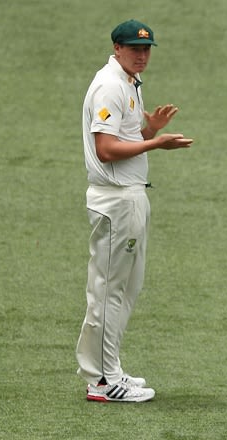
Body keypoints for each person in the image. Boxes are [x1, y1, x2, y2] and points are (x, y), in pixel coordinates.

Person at [77, 19, 193, 402]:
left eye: (146, 49)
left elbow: (123, 140)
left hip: (129, 196)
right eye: (134, 48)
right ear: (116, 47)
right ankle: (102, 381)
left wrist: (147, 132)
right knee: (109, 290)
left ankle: (110, 369)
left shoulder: (128, 83)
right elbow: (106, 150)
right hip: (116, 201)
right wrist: (155, 143)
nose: (141, 55)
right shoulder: (110, 86)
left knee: (126, 288)